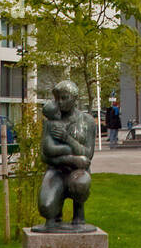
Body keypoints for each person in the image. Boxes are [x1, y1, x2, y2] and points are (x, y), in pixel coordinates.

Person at [35, 80, 96, 230]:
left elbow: (88, 154)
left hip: (77, 172)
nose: (60, 103)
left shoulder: (87, 121)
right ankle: (56, 215)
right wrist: (71, 158)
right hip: (56, 170)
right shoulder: (51, 121)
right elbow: (44, 154)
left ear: (74, 99)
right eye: (57, 99)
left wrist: (66, 139)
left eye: (64, 98)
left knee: (79, 184)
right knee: (46, 207)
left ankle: (79, 215)